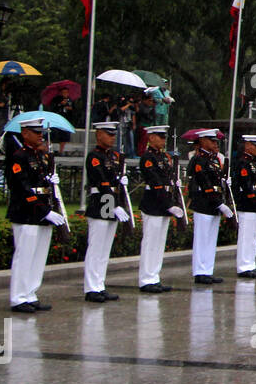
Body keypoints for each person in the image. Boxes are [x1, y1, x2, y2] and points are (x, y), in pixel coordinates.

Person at [7, 118, 61, 312]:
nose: (40, 135)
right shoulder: (19, 157)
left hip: (42, 212)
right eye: (35, 131)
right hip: (26, 212)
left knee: (38, 257)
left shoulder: (42, 156)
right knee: (25, 256)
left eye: (40, 132)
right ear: (25, 134)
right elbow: (22, 188)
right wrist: (45, 211)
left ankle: (30, 293)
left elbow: (43, 185)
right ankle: (18, 297)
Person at [82, 121, 130, 303]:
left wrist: (120, 180)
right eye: (108, 134)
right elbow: (102, 183)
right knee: (96, 248)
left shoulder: (114, 156)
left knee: (104, 250)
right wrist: (113, 205)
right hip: (100, 203)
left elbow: (113, 181)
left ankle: (99, 285)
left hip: (111, 201)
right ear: (98, 134)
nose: (112, 137)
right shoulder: (94, 156)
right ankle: (91, 288)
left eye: (113, 134)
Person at [137, 125, 182, 293]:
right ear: (151, 138)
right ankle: (146, 279)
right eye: (160, 137)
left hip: (163, 205)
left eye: (164, 137)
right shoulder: (148, 158)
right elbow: (156, 183)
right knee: (150, 243)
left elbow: (167, 179)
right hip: (153, 204)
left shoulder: (164, 157)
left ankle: (154, 276)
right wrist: (169, 205)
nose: (163, 140)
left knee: (159, 244)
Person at [187, 129, 230, 284]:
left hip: (214, 203)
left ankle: (207, 270)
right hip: (203, 202)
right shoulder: (199, 160)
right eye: (212, 141)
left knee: (211, 239)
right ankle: (199, 271)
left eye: (215, 141)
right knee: (202, 238)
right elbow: (205, 183)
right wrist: (219, 203)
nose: (214, 143)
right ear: (202, 141)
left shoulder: (214, 160)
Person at [231, 135, 256, 278]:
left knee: (254, 237)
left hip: (255, 206)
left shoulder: (254, 163)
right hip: (247, 205)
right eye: (255, 146)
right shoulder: (243, 163)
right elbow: (246, 187)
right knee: (246, 238)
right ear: (247, 145)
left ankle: (250, 264)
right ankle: (243, 266)